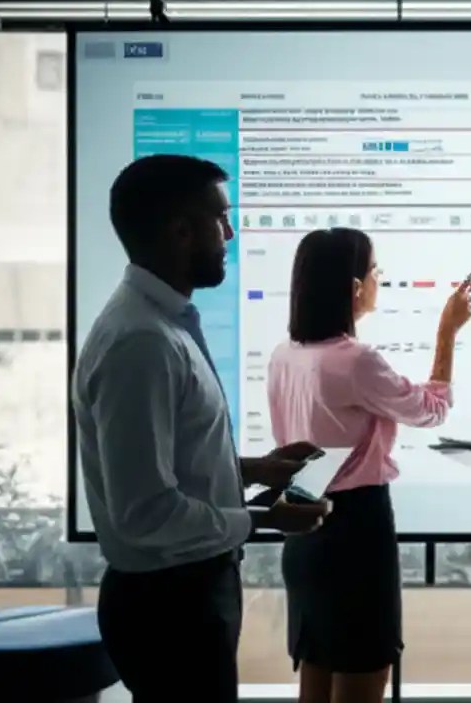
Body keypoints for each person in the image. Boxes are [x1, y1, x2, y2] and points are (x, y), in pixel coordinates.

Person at [72, 154, 330, 703]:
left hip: (186, 593)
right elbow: (145, 510)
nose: (230, 233)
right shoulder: (140, 343)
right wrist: (261, 518)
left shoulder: (162, 324)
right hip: (170, 605)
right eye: (222, 218)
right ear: (182, 230)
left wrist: (255, 469)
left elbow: (161, 460)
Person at [266, 227, 471, 703]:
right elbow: (431, 409)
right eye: (376, 270)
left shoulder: (284, 356)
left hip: (302, 530)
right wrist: (447, 331)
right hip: (356, 532)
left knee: (315, 679)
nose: (380, 279)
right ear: (356, 288)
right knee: (362, 674)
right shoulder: (355, 361)